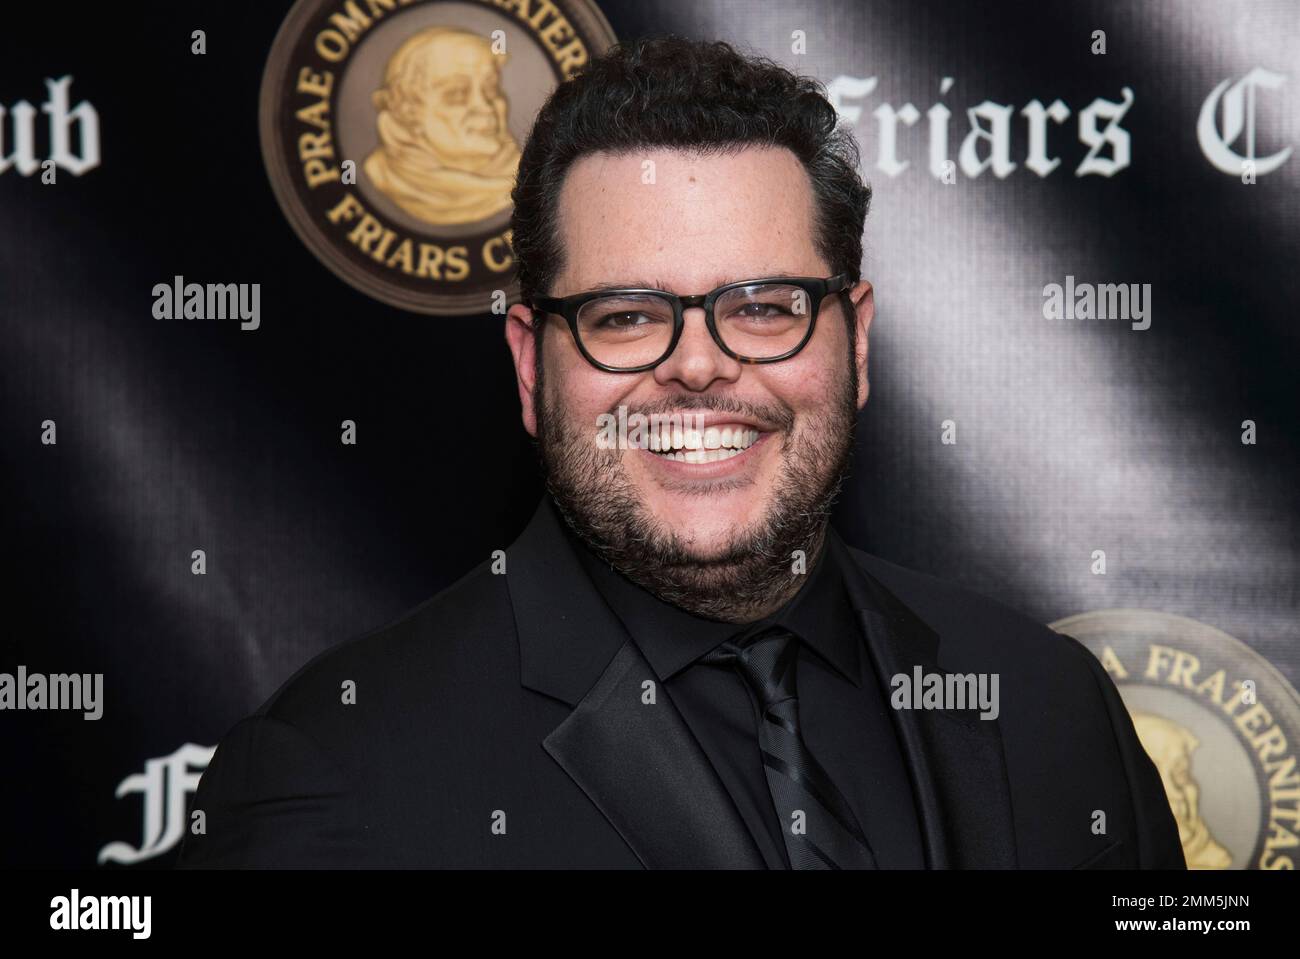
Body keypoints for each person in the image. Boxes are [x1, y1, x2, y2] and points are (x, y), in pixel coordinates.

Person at [178, 35, 1185, 869]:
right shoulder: (339, 774)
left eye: (761, 306)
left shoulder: (1052, 704)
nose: (697, 365)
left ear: (856, 342)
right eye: (625, 315)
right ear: (532, 366)